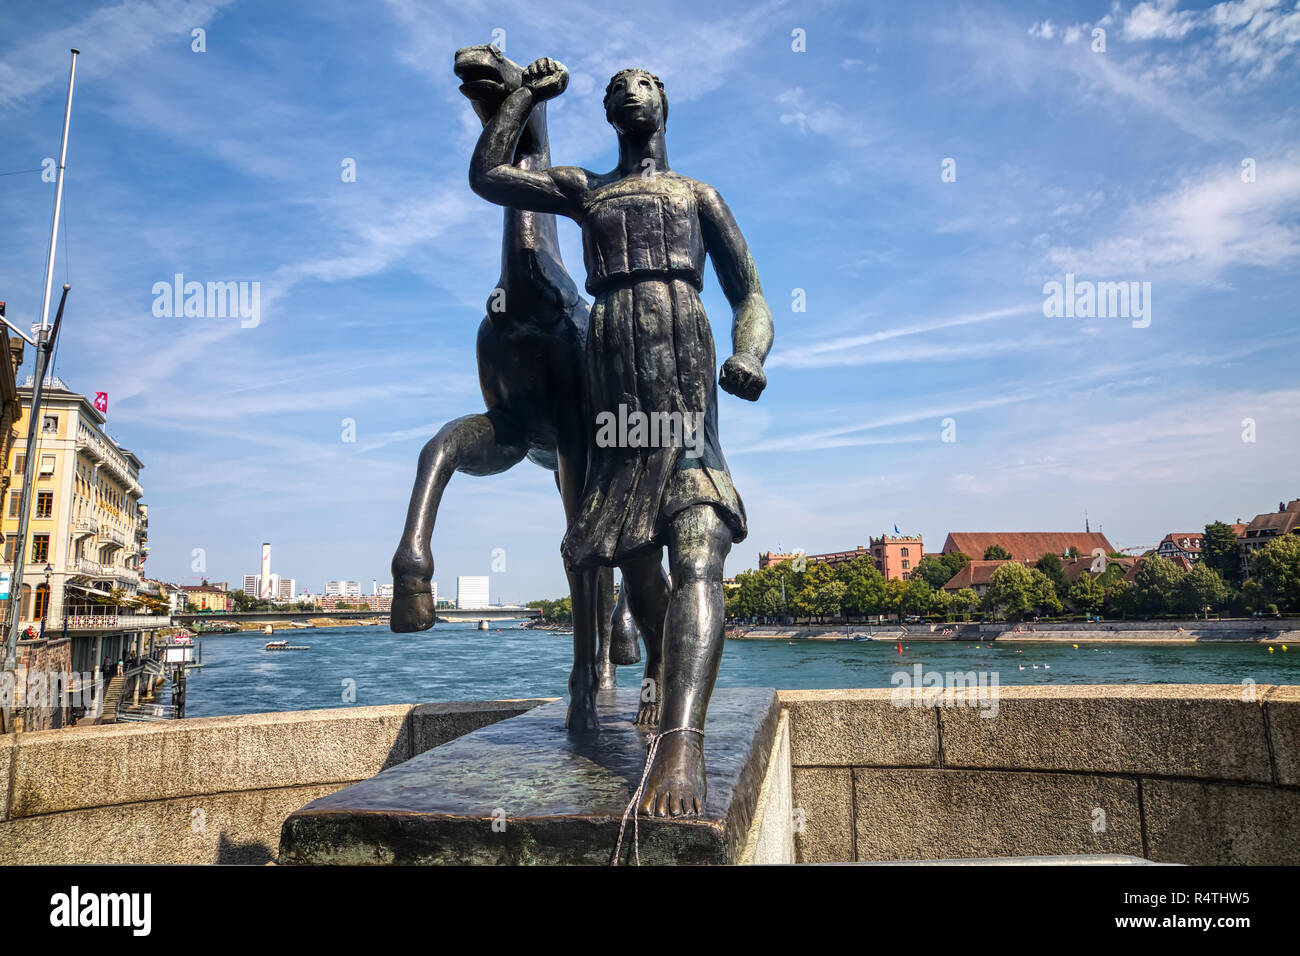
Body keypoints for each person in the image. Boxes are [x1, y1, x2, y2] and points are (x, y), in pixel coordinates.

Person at [470, 58, 773, 817]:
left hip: (687, 399)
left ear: (664, 103)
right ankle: (658, 671)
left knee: (698, 546)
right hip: (615, 405)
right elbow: (491, 175)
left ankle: (682, 740)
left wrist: (749, 353)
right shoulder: (585, 190)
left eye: (643, 82)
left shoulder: (698, 197)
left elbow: (752, 295)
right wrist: (525, 97)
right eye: (615, 86)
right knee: (637, 562)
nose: (628, 90)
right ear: (605, 113)